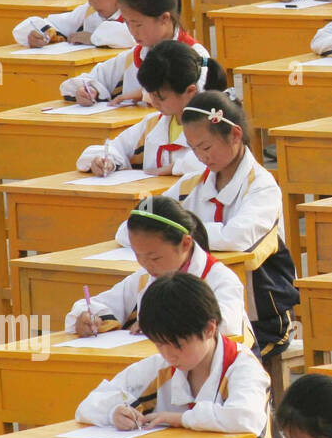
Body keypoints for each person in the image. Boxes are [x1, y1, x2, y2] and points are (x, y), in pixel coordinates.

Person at [115, 92, 300, 357]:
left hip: (261, 317)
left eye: (206, 147)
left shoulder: (262, 187)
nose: (201, 157)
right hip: (190, 310)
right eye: (194, 149)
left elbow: (236, 237)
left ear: (235, 135)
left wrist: (177, 231)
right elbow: (136, 226)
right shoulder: (193, 184)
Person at [74, 273, 278, 438]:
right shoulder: (162, 366)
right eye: (160, 344)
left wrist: (181, 419)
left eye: (179, 345)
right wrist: (114, 412)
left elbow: (246, 418)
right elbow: (89, 404)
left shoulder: (242, 365)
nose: (169, 354)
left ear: (209, 329)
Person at [66, 197, 251, 344]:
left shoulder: (219, 279)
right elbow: (94, 304)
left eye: (154, 257)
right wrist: (87, 318)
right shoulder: (145, 279)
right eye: (138, 255)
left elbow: (224, 325)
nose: (146, 264)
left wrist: (161, 325)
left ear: (185, 244)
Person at [73, 40, 219, 176]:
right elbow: (115, 147)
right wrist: (105, 160)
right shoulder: (154, 125)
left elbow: (220, 160)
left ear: (190, 91)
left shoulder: (216, 124)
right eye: (150, 94)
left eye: (161, 97)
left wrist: (177, 167)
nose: (154, 102)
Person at [59, 0, 207, 105]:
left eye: (138, 24)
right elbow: (87, 79)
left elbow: (199, 98)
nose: (132, 31)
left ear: (164, 19)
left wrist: (145, 95)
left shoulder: (196, 55)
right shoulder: (135, 55)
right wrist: (88, 89)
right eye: (128, 23)